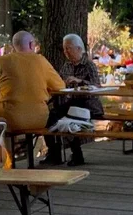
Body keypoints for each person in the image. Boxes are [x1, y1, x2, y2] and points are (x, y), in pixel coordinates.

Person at [0, 31, 65, 168]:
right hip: (39, 118)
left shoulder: (1, 61)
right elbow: (60, 86)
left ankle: (10, 161)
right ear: (31, 44)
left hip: (10, 119)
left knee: (1, 122)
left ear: (14, 46)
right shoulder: (41, 61)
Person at [42, 34, 103, 166]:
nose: (66, 52)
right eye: (64, 49)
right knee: (50, 116)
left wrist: (80, 81)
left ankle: (77, 154)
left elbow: (97, 86)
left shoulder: (89, 65)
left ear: (79, 48)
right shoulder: (67, 65)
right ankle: (54, 153)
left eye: (68, 48)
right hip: (70, 103)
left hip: (88, 104)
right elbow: (59, 82)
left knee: (69, 117)